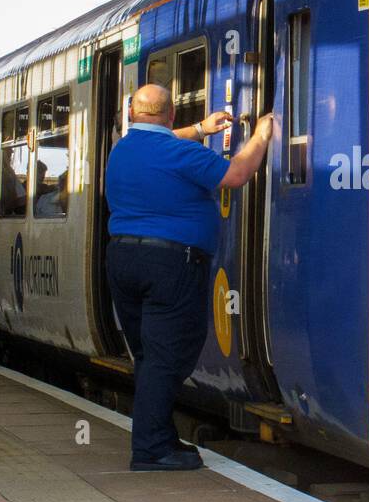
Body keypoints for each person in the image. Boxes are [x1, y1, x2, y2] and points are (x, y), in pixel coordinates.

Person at [105, 84, 270, 472]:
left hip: (122, 258)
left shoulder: (124, 149)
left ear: (132, 114)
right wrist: (262, 135)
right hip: (169, 263)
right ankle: (149, 450)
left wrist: (201, 128)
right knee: (168, 354)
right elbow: (237, 173)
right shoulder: (180, 154)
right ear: (171, 114)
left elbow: (157, 138)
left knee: (149, 354)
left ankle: (158, 438)